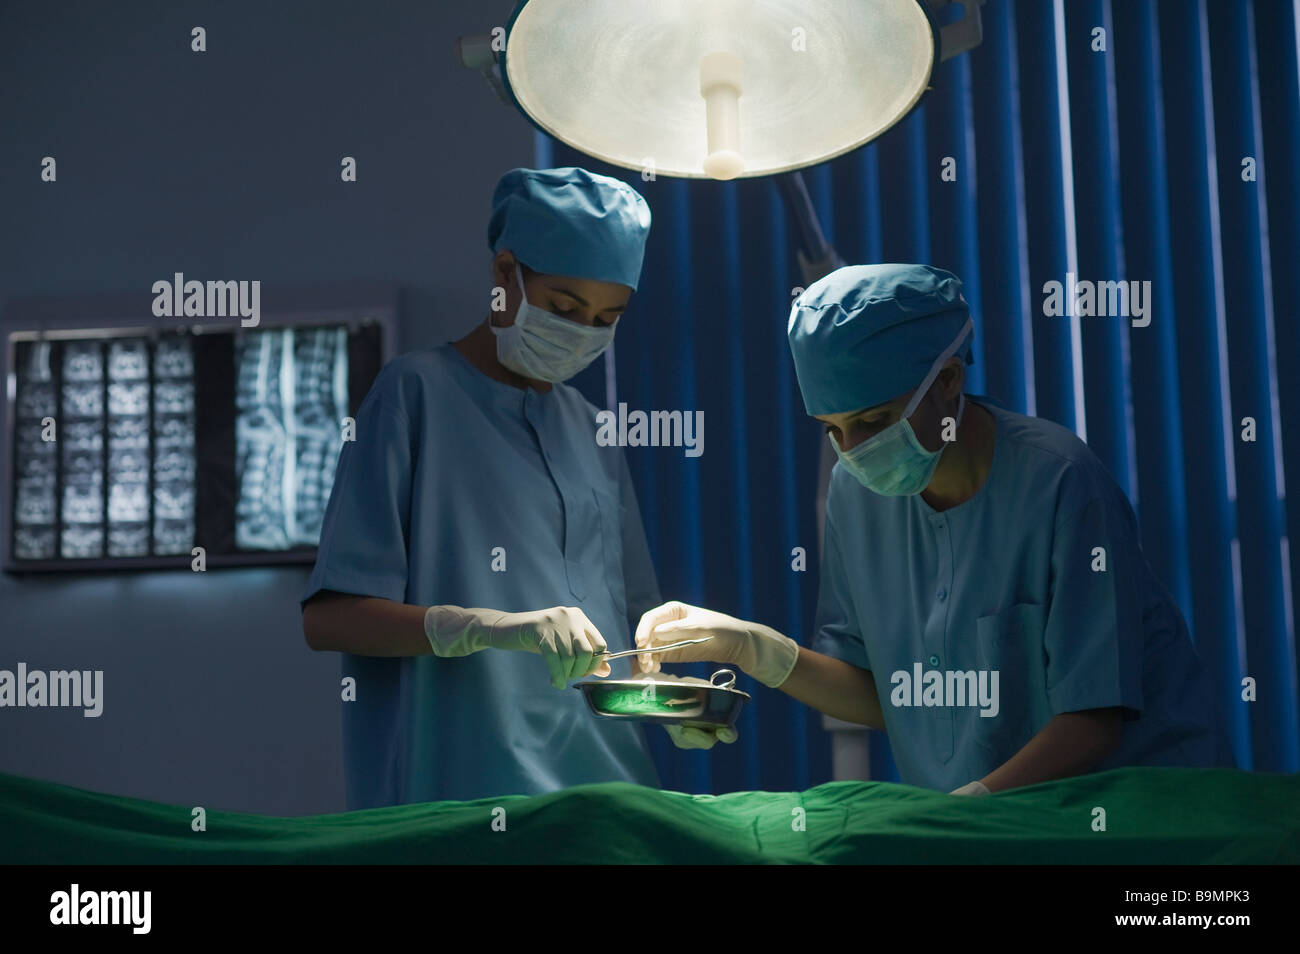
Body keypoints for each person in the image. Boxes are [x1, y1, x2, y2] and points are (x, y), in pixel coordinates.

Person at [636, 263, 1235, 793]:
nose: (854, 450)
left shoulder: (1059, 481)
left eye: (873, 419)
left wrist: (971, 809)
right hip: (989, 826)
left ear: (948, 380)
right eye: (832, 428)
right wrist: (753, 648)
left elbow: (1095, 713)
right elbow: (890, 695)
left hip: (1137, 812)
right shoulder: (856, 491)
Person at [302, 166, 691, 808]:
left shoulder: (595, 433)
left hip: (607, 796)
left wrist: (676, 709)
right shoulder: (413, 395)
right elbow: (329, 619)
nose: (583, 331)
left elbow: (629, 640)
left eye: (606, 318)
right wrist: (486, 627)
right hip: (458, 798)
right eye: (565, 309)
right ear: (504, 275)